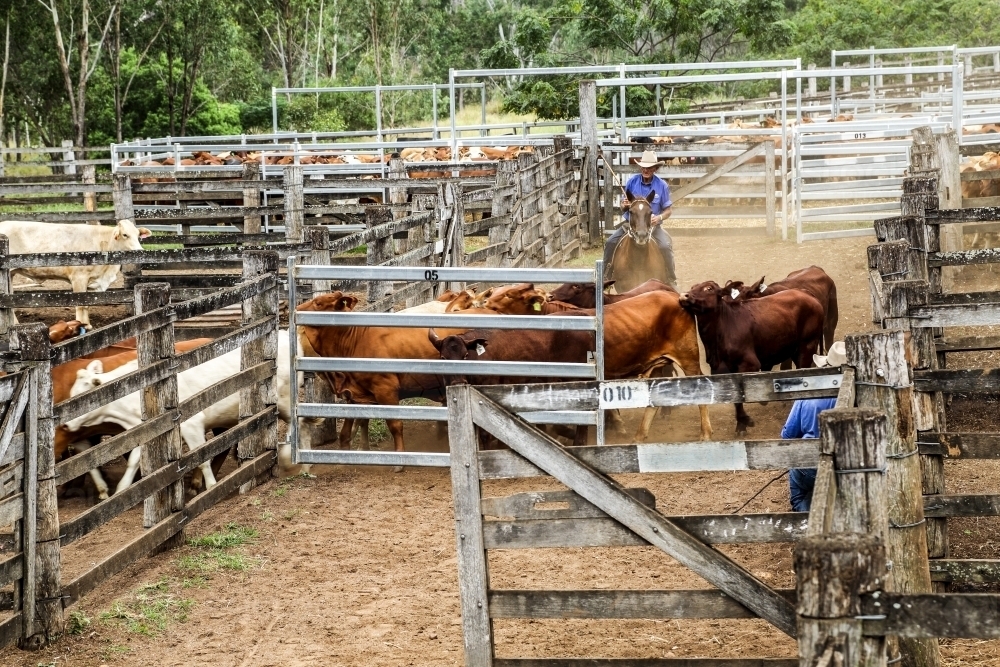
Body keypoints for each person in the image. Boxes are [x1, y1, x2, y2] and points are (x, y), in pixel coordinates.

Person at [784, 341, 847, 512]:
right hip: (846, 465)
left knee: (799, 493)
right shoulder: (858, 394)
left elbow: (787, 435)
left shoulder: (808, 394)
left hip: (810, 465)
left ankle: (806, 522)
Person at [602, 150, 677, 287]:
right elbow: (625, 206)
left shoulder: (662, 186)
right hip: (631, 225)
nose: (645, 170)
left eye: (649, 168)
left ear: (655, 169)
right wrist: (623, 205)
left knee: (665, 246)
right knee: (610, 242)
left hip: (652, 226)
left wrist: (659, 217)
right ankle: (605, 276)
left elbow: (668, 210)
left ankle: (671, 279)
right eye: (643, 167)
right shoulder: (632, 182)